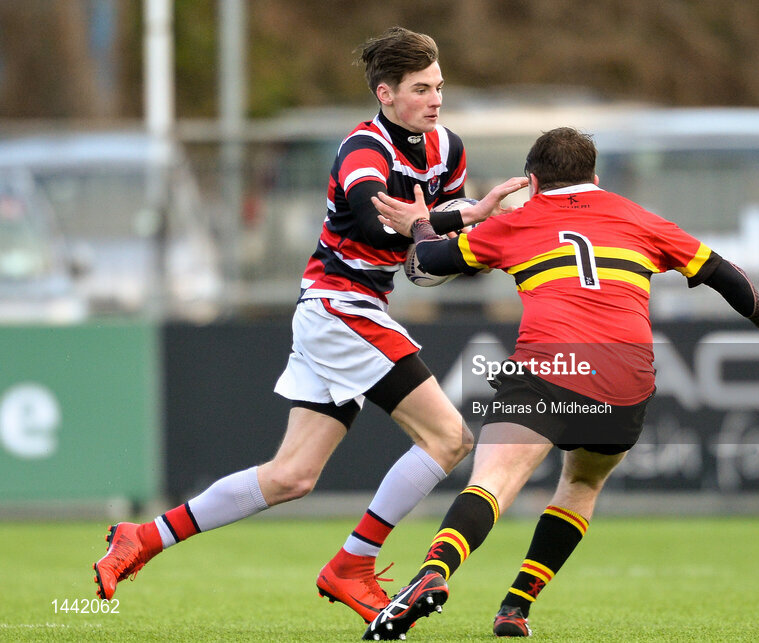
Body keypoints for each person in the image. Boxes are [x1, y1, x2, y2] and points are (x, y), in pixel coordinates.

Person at [92, 26, 526, 624]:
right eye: (422, 89)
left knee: (291, 476)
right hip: (338, 308)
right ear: (385, 94)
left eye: (439, 87)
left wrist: (474, 224)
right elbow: (381, 231)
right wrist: (438, 226)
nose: (436, 99)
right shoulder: (363, 151)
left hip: (353, 310)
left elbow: (428, 257)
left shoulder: (447, 148)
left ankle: (142, 538)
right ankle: (354, 562)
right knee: (449, 438)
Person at [364, 127, 759, 640]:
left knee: (493, 483)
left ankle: (433, 573)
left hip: (553, 365)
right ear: (595, 176)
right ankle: (515, 609)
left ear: (533, 182)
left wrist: (421, 225)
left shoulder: (519, 222)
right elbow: (720, 271)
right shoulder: (640, 217)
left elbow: (429, 262)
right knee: (583, 483)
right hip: (625, 380)